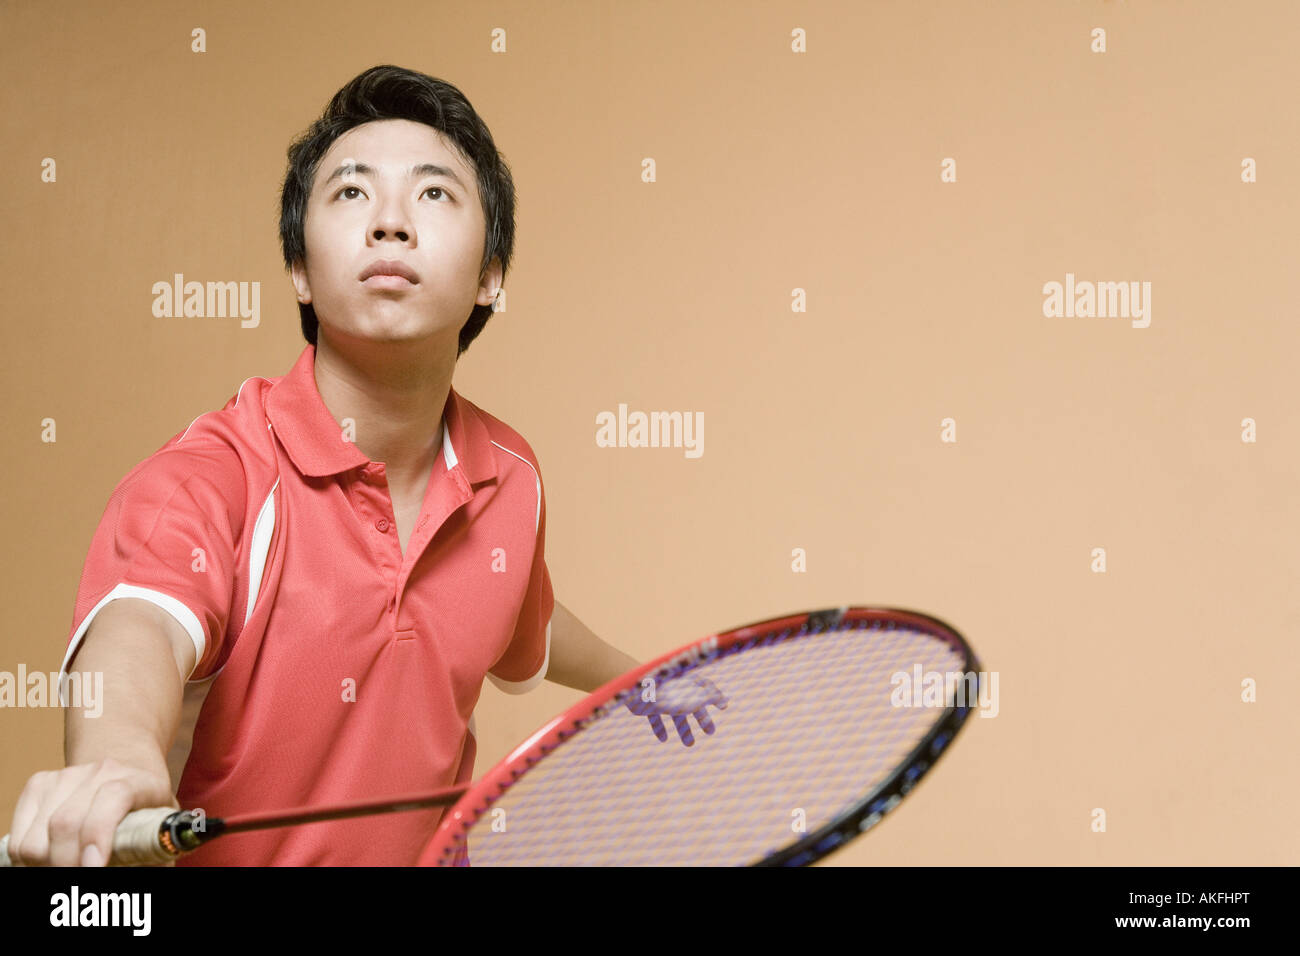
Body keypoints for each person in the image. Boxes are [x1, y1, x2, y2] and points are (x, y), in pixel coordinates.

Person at [7, 65, 724, 866]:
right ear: (301, 273)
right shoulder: (213, 478)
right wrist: (116, 759)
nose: (389, 223)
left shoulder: (510, 480)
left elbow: (523, 614)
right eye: (350, 193)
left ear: (490, 277)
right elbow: (138, 628)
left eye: (434, 194)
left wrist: (644, 679)